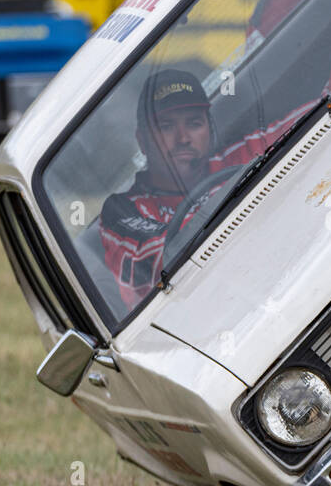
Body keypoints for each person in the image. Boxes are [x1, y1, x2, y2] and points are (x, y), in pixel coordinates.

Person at [99, 68, 311, 307]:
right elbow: (171, 252)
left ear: (209, 130)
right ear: (143, 140)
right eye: (166, 126)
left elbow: (324, 112)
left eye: (194, 123)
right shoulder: (122, 210)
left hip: (287, 286)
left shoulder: (237, 157)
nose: (183, 138)